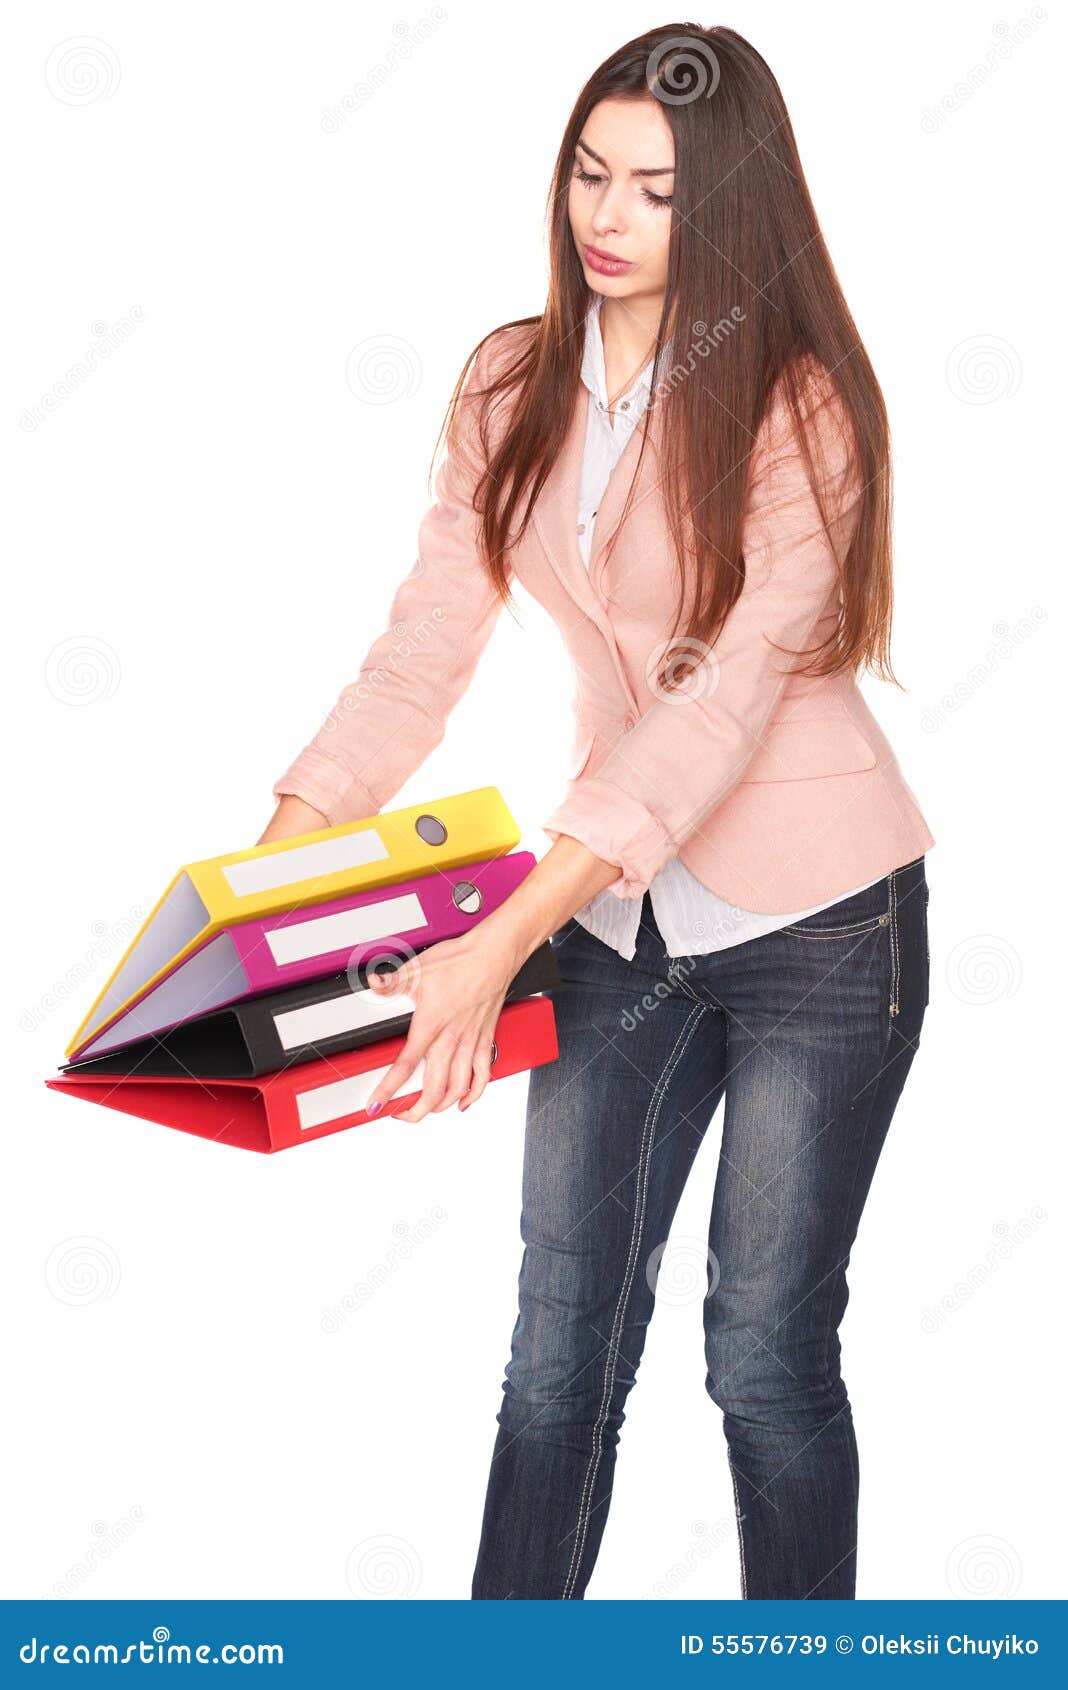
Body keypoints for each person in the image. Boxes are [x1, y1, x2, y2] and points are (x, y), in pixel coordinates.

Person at [260, 24, 933, 1600]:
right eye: (589, 170)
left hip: (820, 924)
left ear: (736, 208)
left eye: (657, 189)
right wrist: (267, 872)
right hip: (613, 915)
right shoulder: (509, 381)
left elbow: (722, 700)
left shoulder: (801, 406)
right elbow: (423, 649)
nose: (606, 214)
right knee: (557, 1355)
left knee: (760, 1350)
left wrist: (499, 940)